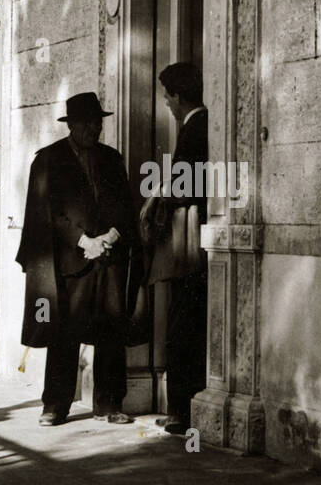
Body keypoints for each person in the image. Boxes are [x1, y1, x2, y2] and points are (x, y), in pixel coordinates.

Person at [16, 92, 136, 425]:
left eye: (97, 122)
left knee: (111, 331)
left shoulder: (112, 159)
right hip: (71, 263)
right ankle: (55, 405)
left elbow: (125, 207)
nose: (94, 129)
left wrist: (110, 237)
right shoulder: (48, 160)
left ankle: (109, 404)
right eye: (86, 123)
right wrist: (85, 241)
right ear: (71, 125)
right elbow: (46, 215)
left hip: (108, 258)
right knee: (64, 334)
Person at [145, 62, 208, 436]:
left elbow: (187, 187)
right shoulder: (202, 125)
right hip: (196, 242)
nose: (166, 103)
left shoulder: (195, 129)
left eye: (167, 97)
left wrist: (159, 197)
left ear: (179, 96)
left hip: (187, 243)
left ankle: (180, 411)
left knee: (182, 325)